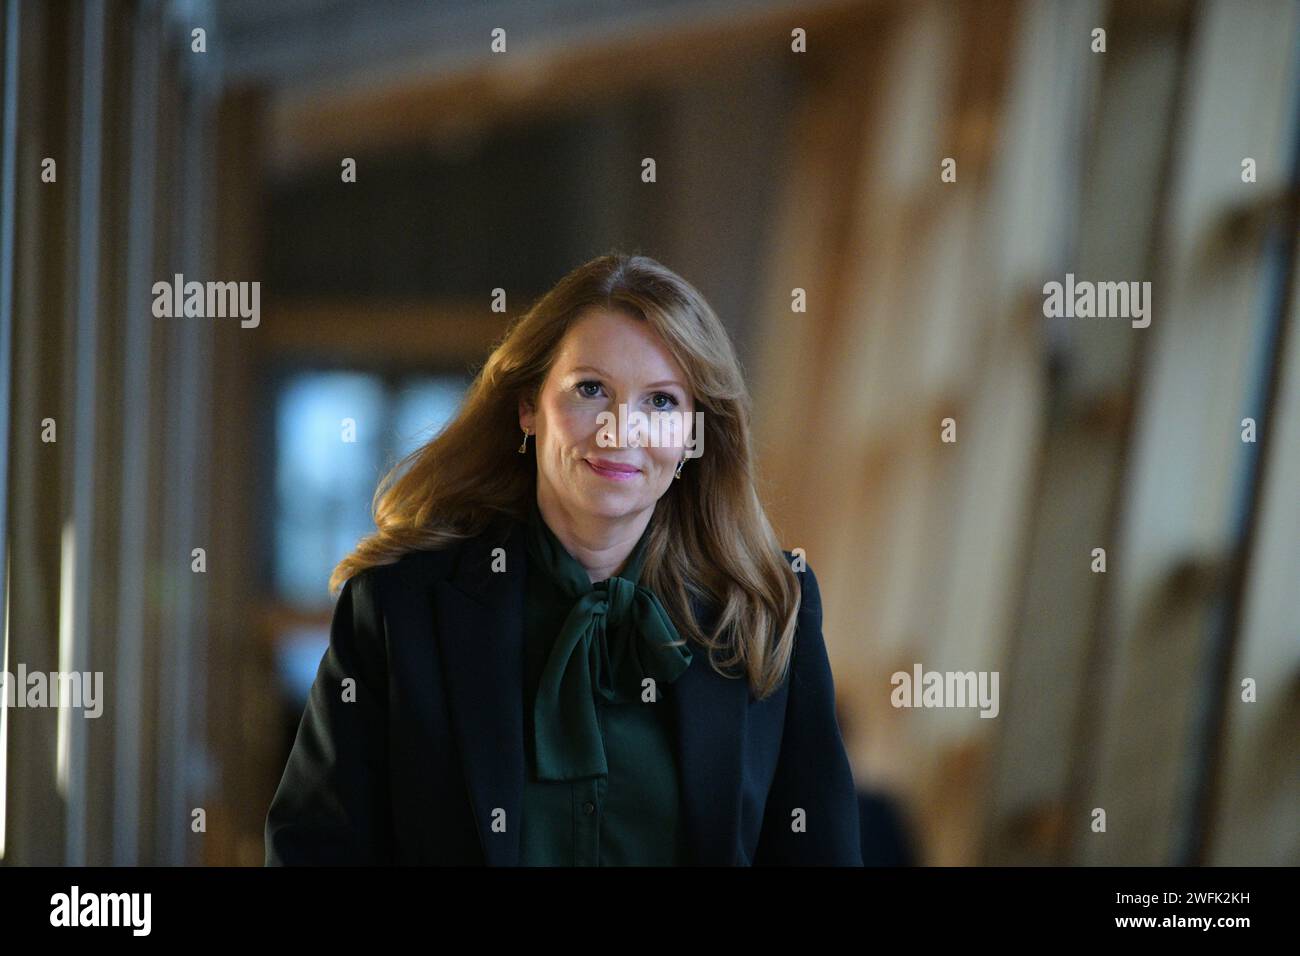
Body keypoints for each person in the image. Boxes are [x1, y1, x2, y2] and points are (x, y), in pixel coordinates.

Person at [264, 252, 862, 865]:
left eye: (660, 402)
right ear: (528, 406)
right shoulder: (398, 607)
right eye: (590, 389)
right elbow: (314, 852)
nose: (618, 430)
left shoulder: (765, 605)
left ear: (694, 435)